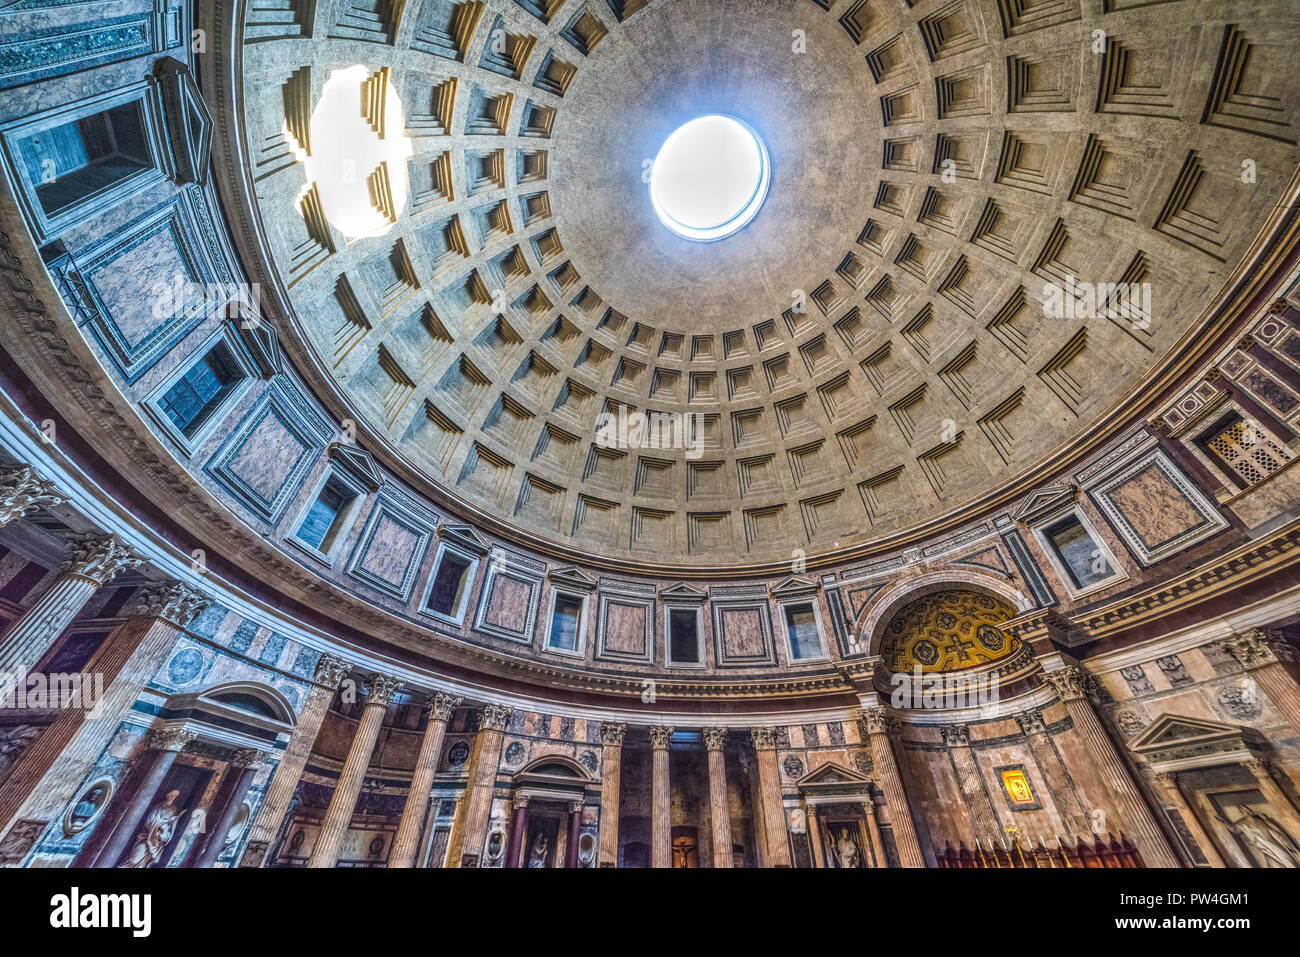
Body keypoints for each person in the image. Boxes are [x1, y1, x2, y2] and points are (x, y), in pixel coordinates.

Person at [121, 790, 182, 868]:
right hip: (147, 836)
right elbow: (151, 820)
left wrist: (161, 833)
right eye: (173, 794)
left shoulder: (173, 809)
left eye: (176, 795)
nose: (173, 796)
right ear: (169, 794)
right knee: (134, 859)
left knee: (143, 864)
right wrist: (157, 827)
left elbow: (170, 824)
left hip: (158, 841)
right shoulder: (159, 806)